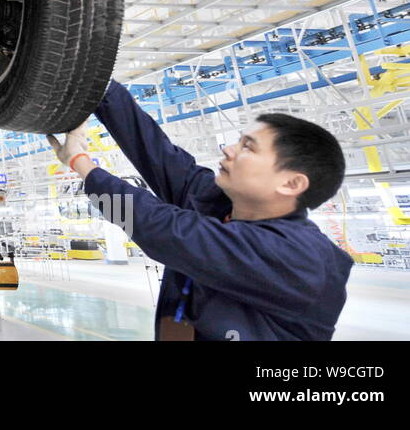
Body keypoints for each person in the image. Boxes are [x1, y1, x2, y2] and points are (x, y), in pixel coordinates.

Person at [49, 80, 352, 341]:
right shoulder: (218, 204)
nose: (228, 149)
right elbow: (156, 153)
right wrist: (99, 81)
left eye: (248, 147)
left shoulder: (299, 258)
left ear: (291, 183)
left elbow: (158, 229)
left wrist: (82, 164)